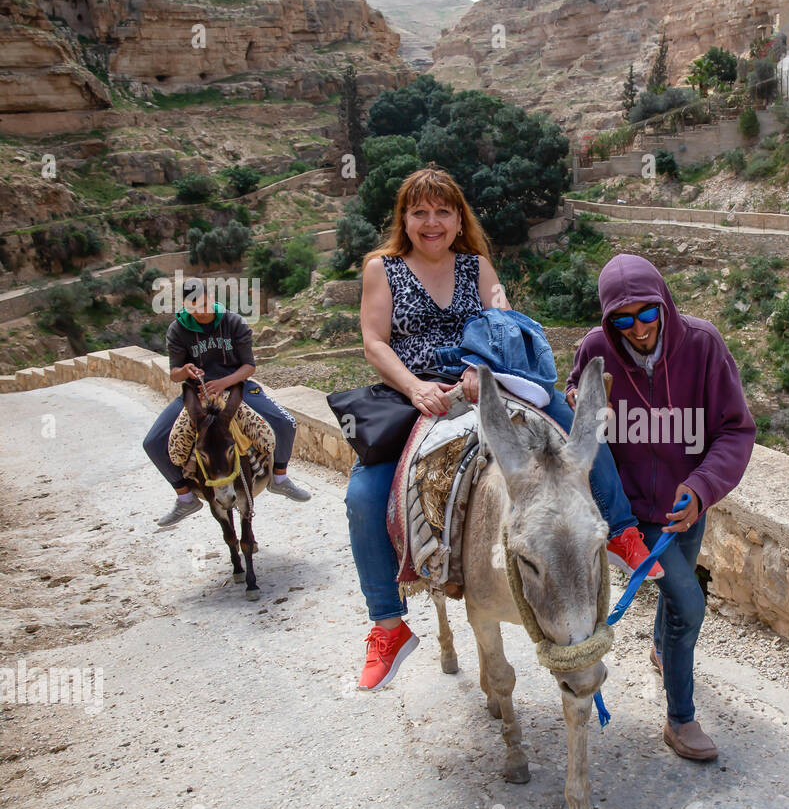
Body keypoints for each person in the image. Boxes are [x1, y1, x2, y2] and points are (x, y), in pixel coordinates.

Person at [347, 167, 662, 692]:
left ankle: (622, 530)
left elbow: (505, 327)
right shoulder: (383, 268)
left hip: (485, 383)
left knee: (575, 427)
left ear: (457, 218)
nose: (432, 222)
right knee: (364, 492)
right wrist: (415, 387)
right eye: (420, 212)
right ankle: (387, 623)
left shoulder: (476, 267)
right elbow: (374, 340)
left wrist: (482, 368)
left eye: (443, 211)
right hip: (417, 392)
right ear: (404, 218)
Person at [565, 253, 755, 761]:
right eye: (622, 319)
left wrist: (702, 487)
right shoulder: (596, 348)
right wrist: (585, 407)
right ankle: (681, 720)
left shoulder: (703, 344)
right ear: (608, 320)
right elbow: (574, 400)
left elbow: (734, 429)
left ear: (664, 304)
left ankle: (660, 651)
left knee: (675, 597)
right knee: (689, 605)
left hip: (685, 505)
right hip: (628, 514)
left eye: (647, 313)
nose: (638, 328)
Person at [143, 278, 310, 527]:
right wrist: (186, 370)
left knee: (286, 423)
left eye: (203, 304)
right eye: (193, 307)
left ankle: (279, 479)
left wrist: (223, 383)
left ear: (211, 298)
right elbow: (174, 373)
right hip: (196, 395)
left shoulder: (232, 322)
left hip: (236, 388)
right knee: (153, 443)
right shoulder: (177, 330)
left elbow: (248, 367)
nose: (199, 311)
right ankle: (185, 497)